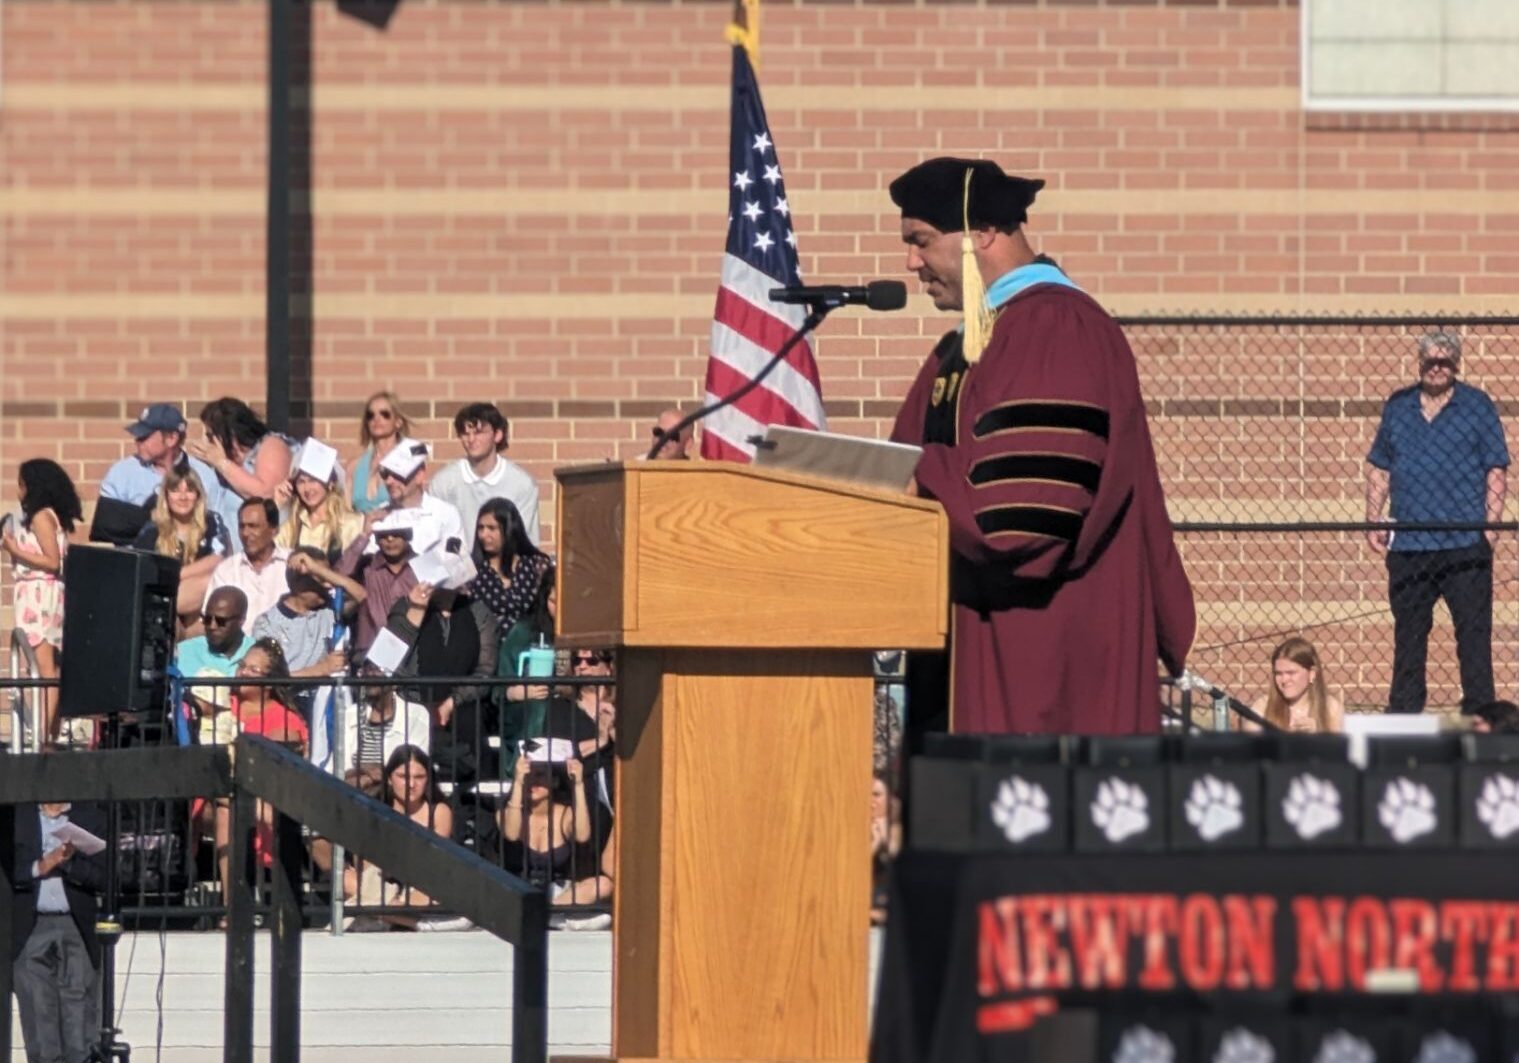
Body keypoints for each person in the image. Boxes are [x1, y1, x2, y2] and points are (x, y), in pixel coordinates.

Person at [886, 156, 1194, 736]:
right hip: (967, 644)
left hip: (1044, 665)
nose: (910, 262)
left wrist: (917, 476)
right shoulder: (966, 346)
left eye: (921, 241)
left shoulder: (1053, 328)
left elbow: (1019, 519)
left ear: (982, 233)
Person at [1366, 331, 1508, 716]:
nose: (1437, 368)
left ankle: (1481, 718)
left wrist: (1490, 527)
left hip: (1464, 544)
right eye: (1430, 361)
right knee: (1409, 637)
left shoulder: (1477, 406)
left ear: (1456, 364)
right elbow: (1380, 467)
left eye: (1445, 361)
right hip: (1410, 545)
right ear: (1420, 363)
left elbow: (1496, 469)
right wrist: (1373, 518)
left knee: (1473, 636)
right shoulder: (1398, 406)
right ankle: (1404, 717)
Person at [10, 797, 108, 1063]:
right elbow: (8, 869)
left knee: (79, 1013)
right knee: (38, 1012)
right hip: (31, 925)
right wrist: (40, 866)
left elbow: (107, 876)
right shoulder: (16, 817)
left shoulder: (90, 817)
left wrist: (69, 864)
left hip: (75, 924)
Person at [2, 459, 83, 744]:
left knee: (45, 668)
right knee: (42, 666)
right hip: (36, 594)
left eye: (22, 485)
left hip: (40, 595)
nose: (18, 491)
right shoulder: (43, 517)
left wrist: (15, 550)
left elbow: (51, 561)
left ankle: (43, 735)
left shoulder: (41, 517)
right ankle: (47, 733)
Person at [493, 753, 613, 921]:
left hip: (558, 895)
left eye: (540, 775)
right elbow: (512, 834)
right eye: (528, 775)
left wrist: (578, 784)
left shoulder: (565, 814)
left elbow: (582, 835)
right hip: (517, 890)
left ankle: (544, 916)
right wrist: (518, 781)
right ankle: (547, 918)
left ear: (555, 781)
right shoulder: (507, 813)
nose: (533, 781)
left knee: (603, 884)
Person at [97, 402, 226, 544]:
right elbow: (105, 525)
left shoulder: (203, 475)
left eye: (144, 437)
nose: (137, 441)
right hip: (134, 556)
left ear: (171, 439)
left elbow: (213, 528)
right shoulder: (122, 472)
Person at [427, 403, 541, 549]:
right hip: (455, 562)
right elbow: (433, 536)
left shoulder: (522, 484)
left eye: (479, 433)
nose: (471, 439)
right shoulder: (443, 482)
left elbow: (524, 542)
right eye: (465, 434)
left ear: (497, 435)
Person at [134, 467, 233, 626]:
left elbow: (218, 560)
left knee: (210, 580)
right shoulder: (152, 530)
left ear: (198, 495)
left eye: (190, 491)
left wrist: (177, 575)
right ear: (166, 495)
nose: (183, 497)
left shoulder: (212, 521)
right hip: (162, 600)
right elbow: (143, 572)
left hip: (202, 610)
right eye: (175, 491)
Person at [187, 397, 294, 537]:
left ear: (229, 433)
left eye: (210, 436)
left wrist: (222, 463)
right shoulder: (221, 462)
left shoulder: (272, 446)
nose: (207, 442)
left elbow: (265, 493)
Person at [251, 546, 363, 676]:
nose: (328, 585)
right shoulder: (267, 624)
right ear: (299, 584)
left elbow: (362, 597)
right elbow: (267, 678)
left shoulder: (332, 609)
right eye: (321, 580)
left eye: (327, 577)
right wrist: (322, 669)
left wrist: (316, 569)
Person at [336, 512, 422, 662]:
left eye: (396, 534)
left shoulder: (422, 565)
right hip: (370, 651)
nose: (390, 539)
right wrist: (364, 534)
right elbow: (338, 575)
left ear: (408, 535)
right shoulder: (365, 566)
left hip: (413, 652)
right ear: (376, 539)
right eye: (383, 535)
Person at [470, 498, 553, 632]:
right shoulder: (472, 570)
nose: (484, 535)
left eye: (491, 528)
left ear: (509, 529)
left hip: (529, 640)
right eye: (481, 528)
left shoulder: (535, 566)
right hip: (487, 641)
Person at [203, 498, 291, 626]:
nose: (245, 533)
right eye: (241, 526)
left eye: (253, 526)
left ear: (274, 530)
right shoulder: (226, 571)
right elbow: (211, 619)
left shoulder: (292, 565)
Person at [274, 445, 364, 562]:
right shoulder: (293, 525)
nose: (307, 488)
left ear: (330, 483)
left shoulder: (350, 523)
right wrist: (277, 506)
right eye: (301, 482)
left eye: (313, 480)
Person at [339, 664, 433, 773]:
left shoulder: (416, 715)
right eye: (367, 669)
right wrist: (371, 773)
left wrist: (370, 773)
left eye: (377, 670)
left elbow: (413, 768)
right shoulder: (350, 714)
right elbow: (341, 768)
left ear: (394, 683)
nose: (370, 674)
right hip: (351, 784)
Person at [374, 438, 465, 547]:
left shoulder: (445, 514)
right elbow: (369, 555)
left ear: (419, 476)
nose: (389, 481)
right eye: (385, 474)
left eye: (397, 475)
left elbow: (455, 555)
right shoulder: (379, 516)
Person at [1244, 637, 1344, 734]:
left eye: (1291, 673)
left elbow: (1341, 744)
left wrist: (1317, 736)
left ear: (1312, 673)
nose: (1284, 680)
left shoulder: (1331, 708)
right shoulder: (1263, 707)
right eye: (1278, 673)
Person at [350, 391, 414, 515]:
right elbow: (347, 512)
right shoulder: (354, 466)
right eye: (370, 415)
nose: (376, 419)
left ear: (398, 422)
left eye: (384, 414)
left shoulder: (409, 460)